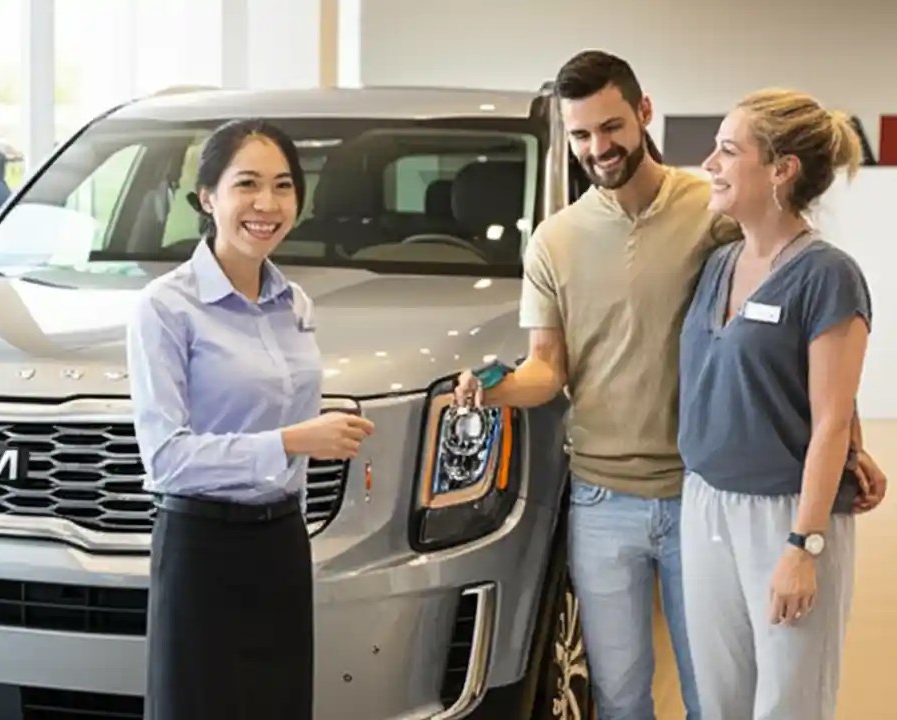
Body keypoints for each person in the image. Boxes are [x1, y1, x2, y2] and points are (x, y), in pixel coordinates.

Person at [454, 50, 887, 719]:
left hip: (693, 490)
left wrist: (844, 445)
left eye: (610, 126)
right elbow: (548, 367)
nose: (598, 148)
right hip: (608, 500)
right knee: (632, 695)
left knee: (732, 694)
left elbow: (809, 338)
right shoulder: (559, 241)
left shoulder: (713, 215)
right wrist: (496, 389)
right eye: (580, 135)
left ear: (642, 112)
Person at [126, 118, 375, 720]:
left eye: (284, 186)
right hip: (201, 549)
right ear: (208, 197)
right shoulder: (166, 307)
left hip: (283, 540)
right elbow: (165, 460)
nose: (267, 204)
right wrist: (293, 439)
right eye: (248, 185)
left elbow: (268, 409)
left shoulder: (295, 304)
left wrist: (317, 427)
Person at [676, 88, 874, 719]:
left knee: (789, 704)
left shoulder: (826, 274)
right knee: (722, 702)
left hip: (785, 515)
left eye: (728, 151)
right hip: (704, 502)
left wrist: (803, 546)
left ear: (782, 170)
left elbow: (831, 417)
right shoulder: (720, 262)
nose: (709, 163)